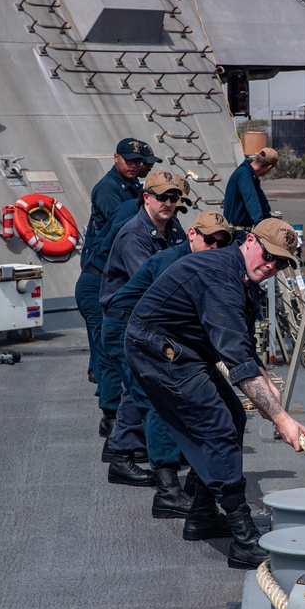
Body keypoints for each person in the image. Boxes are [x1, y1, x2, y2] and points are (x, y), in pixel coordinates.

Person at [125, 218, 305, 569]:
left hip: (187, 348)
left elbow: (247, 352)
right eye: (269, 255)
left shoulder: (242, 276)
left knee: (235, 414)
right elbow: (238, 360)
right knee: (216, 427)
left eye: (281, 262)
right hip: (158, 348)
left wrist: (277, 407)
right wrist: (280, 418)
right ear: (250, 241)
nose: (272, 266)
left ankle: (202, 515)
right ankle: (243, 540)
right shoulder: (222, 279)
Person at [102, 211, 233, 518]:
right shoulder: (175, 263)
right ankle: (168, 492)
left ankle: (124, 453)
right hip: (128, 330)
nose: (215, 246)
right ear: (192, 235)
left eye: (222, 242)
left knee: (144, 397)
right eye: (209, 239)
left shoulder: (200, 261)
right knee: (157, 402)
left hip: (146, 330)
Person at [75, 137, 149, 436]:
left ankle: (113, 406)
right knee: (107, 352)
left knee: (108, 352)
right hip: (97, 281)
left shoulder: (131, 189)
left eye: (139, 162)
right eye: (129, 160)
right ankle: (111, 417)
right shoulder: (111, 191)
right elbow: (125, 229)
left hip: (108, 279)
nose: (134, 165)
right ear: (115, 157)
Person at [223, 147, 278, 241]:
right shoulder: (244, 174)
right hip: (237, 237)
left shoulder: (251, 177)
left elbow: (264, 206)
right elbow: (252, 203)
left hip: (241, 234)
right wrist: (263, 230)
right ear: (269, 168)